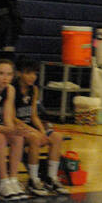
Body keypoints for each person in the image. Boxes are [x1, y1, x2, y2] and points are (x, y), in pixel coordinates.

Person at [11, 57, 67, 194]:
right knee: (35, 139)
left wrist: (42, 131)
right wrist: (35, 133)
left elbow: (34, 116)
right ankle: (33, 180)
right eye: (28, 73)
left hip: (30, 125)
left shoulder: (34, 90)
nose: (32, 77)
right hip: (16, 127)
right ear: (19, 73)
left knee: (57, 137)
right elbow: (13, 118)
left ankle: (51, 177)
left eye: (35, 73)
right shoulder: (12, 89)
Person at [0, 56, 27, 201]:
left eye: (9, 74)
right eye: (1, 73)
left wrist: (14, 130)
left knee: (18, 137)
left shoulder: (10, 89)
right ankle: (2, 182)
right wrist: (9, 130)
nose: (5, 78)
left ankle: (13, 180)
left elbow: (7, 119)